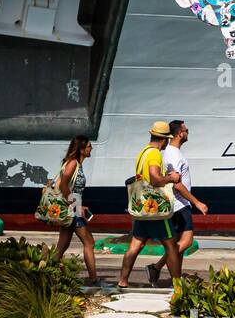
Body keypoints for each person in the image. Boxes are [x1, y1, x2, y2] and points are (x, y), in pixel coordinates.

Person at [117, 121, 183, 289]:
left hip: (142, 209)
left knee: (135, 245)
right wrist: (171, 178)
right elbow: (154, 178)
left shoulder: (142, 153)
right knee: (172, 246)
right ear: (164, 139)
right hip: (155, 209)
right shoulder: (154, 154)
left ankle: (123, 280)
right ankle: (178, 285)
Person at [146, 119, 208, 287]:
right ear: (180, 133)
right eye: (186, 130)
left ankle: (176, 281)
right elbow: (177, 183)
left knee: (177, 244)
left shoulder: (171, 152)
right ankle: (156, 267)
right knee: (185, 242)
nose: (188, 132)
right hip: (179, 205)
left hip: (177, 204)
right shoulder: (173, 154)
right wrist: (196, 202)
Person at [50, 135, 103, 286]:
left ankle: (46, 273)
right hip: (72, 209)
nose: (91, 148)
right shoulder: (73, 163)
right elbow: (63, 185)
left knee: (62, 246)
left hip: (72, 208)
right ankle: (93, 279)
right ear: (81, 148)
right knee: (89, 243)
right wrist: (76, 205)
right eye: (89, 146)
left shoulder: (77, 164)